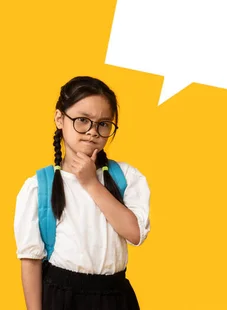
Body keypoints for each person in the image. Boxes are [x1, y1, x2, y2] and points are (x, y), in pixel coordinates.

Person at [14, 76, 151, 310]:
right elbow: (31, 261)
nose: (92, 132)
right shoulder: (39, 186)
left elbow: (135, 233)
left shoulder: (127, 176)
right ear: (60, 119)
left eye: (103, 124)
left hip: (115, 297)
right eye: (82, 120)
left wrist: (91, 184)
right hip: (62, 298)